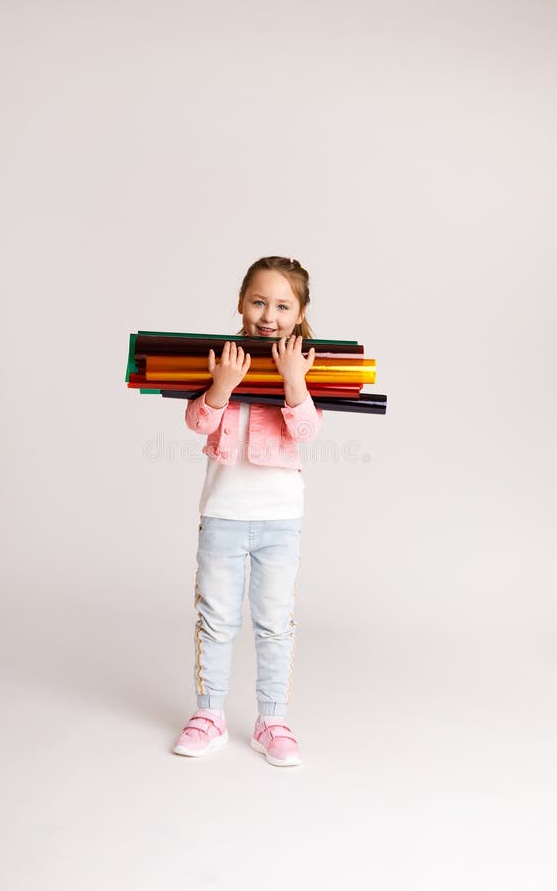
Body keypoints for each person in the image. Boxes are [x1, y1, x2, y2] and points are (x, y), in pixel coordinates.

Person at [172, 256, 323, 767]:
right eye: (259, 301)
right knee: (215, 620)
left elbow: (305, 431)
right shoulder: (221, 358)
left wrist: (292, 379)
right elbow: (197, 421)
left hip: (280, 519)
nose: (269, 314)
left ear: (300, 312)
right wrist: (222, 383)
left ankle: (272, 719)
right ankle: (209, 714)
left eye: (283, 305)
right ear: (240, 303)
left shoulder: (303, 364)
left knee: (274, 622)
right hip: (223, 514)